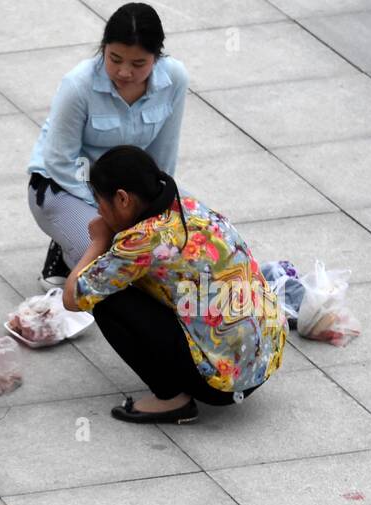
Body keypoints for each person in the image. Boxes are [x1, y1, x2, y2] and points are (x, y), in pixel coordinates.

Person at [63, 146, 286, 423]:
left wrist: (98, 241)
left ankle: (170, 399)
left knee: (107, 301)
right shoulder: (189, 207)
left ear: (122, 199)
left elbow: (72, 297)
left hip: (224, 384)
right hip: (264, 354)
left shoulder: (141, 241)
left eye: (99, 201)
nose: (98, 210)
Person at [28, 3, 187, 287]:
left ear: (156, 57)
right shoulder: (78, 84)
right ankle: (65, 252)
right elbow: (61, 161)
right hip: (66, 185)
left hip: (125, 194)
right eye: (115, 59)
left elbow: (163, 156)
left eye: (139, 64)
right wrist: (109, 211)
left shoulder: (174, 79)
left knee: (192, 236)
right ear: (103, 48)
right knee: (111, 261)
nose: (124, 72)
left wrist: (151, 207)